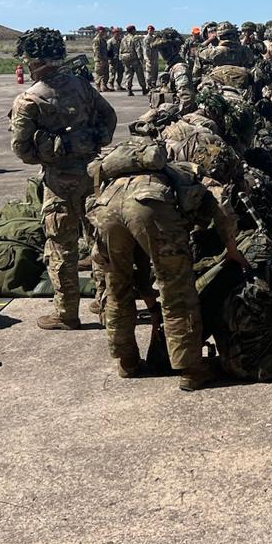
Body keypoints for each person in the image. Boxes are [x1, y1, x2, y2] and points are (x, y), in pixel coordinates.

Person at [88, 142, 249, 390]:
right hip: (150, 206)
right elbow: (221, 205)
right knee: (177, 289)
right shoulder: (191, 173)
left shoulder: (123, 174)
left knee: (117, 287)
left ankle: (127, 361)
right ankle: (191, 369)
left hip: (107, 208)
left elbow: (116, 265)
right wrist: (231, 248)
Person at [10, 27, 117, 330]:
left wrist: (47, 157)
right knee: (98, 242)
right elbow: (108, 117)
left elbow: (20, 148)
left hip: (58, 182)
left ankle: (67, 312)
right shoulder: (82, 87)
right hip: (92, 174)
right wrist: (96, 142)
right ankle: (106, 303)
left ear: (35, 62)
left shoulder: (29, 100)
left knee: (61, 247)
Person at [150, 28, 197, 113]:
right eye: (160, 49)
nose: (162, 52)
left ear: (175, 48)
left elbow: (187, 98)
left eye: (165, 48)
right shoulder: (170, 66)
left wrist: (174, 115)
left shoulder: (179, 69)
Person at [121, 25, 147, 96]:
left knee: (128, 74)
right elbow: (138, 49)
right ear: (132, 30)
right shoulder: (135, 38)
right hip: (134, 59)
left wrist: (121, 58)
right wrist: (141, 59)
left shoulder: (124, 39)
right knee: (140, 74)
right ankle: (144, 89)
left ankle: (129, 90)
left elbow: (121, 50)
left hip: (126, 58)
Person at [92, 26, 110, 91]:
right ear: (98, 31)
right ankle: (97, 86)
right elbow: (97, 51)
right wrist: (100, 59)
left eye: (104, 31)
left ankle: (104, 86)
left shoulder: (103, 40)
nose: (103, 32)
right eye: (102, 31)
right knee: (99, 74)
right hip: (99, 60)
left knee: (105, 74)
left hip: (105, 59)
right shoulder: (96, 40)